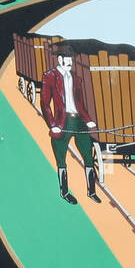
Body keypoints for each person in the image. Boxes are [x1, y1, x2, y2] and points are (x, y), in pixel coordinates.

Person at [39, 50, 101, 204]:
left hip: (78, 120)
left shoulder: (76, 79)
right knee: (61, 158)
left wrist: (88, 120)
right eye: (67, 61)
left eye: (71, 62)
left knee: (88, 155)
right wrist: (52, 125)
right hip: (62, 122)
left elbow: (80, 103)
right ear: (59, 59)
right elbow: (45, 104)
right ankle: (64, 192)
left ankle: (92, 191)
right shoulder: (49, 76)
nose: (69, 64)